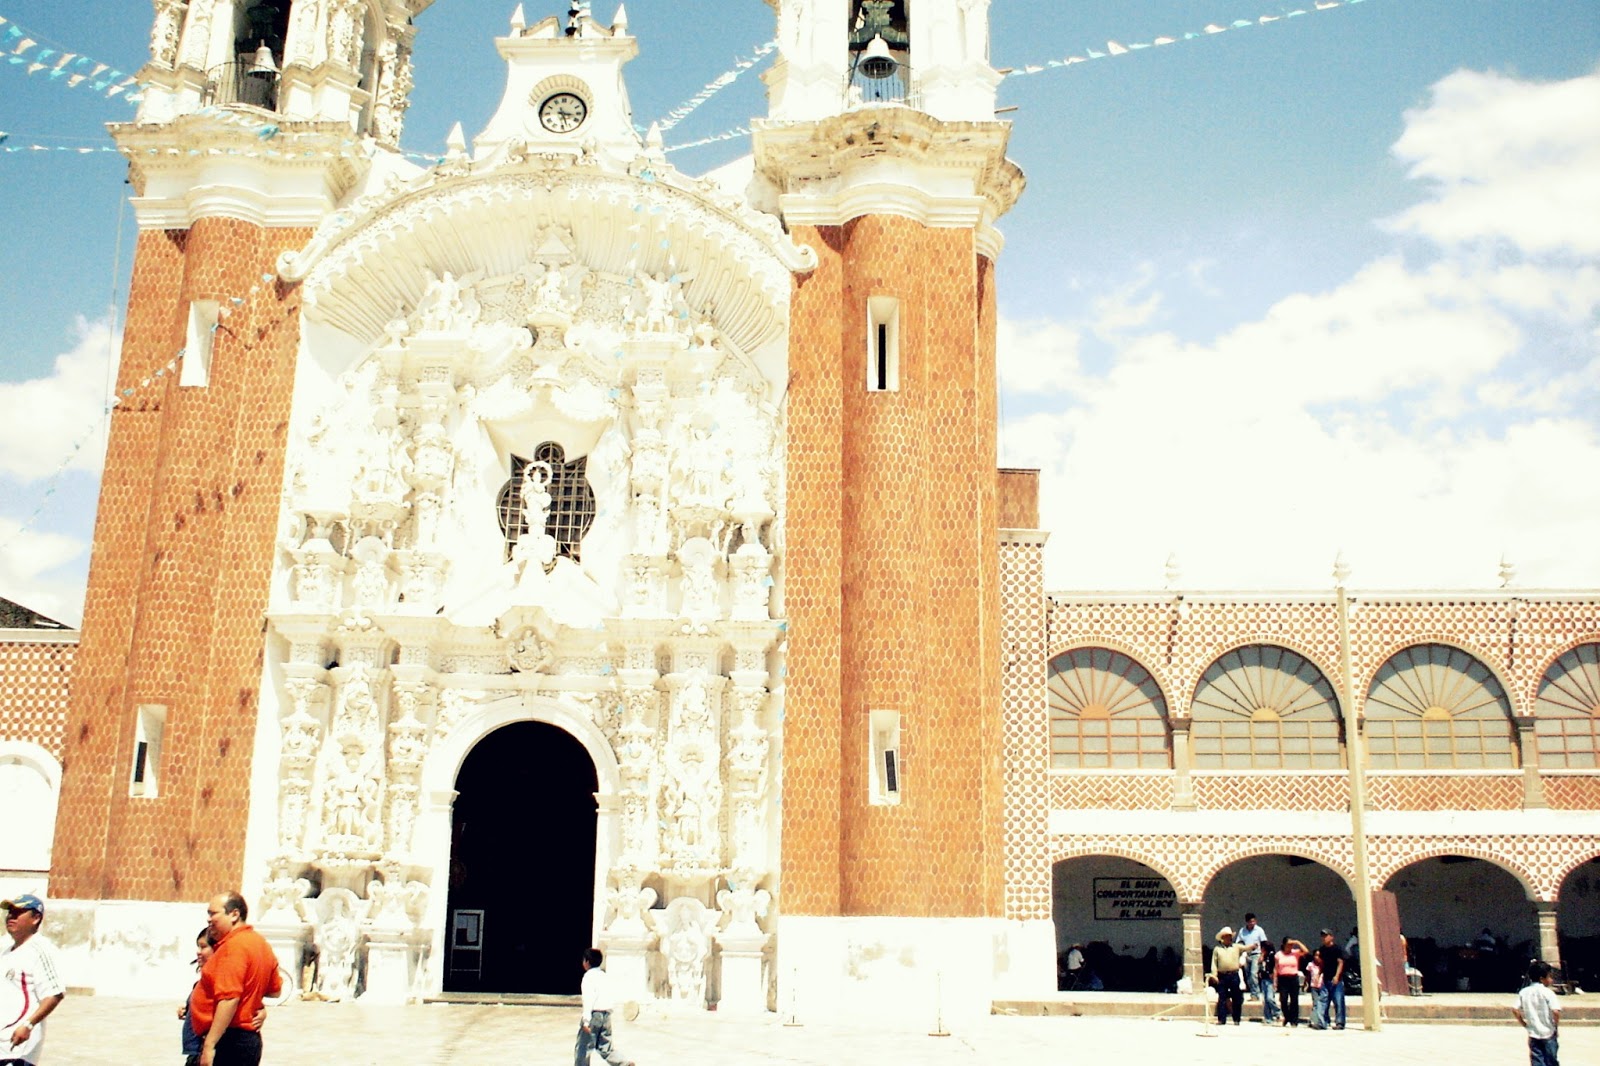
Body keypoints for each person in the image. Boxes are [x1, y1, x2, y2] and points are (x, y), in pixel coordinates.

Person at [190, 892, 281, 1066]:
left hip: (228, 1042)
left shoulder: (234, 947)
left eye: (213, 913)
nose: (209, 919)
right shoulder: (260, 943)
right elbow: (274, 990)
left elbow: (229, 998)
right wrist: (253, 1003)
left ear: (234, 914)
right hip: (246, 1041)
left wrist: (210, 1044)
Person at [0, 893, 65, 1066]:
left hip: (17, 1047)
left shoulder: (40, 951)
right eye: (10, 912)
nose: (11, 917)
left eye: (18, 912)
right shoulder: (5, 949)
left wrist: (28, 1025)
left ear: (36, 918)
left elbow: (55, 993)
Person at [576, 947, 634, 1066]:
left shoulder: (588, 977)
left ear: (587, 962)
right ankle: (623, 1063)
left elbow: (589, 999)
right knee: (606, 1047)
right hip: (606, 1014)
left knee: (583, 1049)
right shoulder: (604, 976)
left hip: (594, 1015)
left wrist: (586, 1021)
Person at [1512, 960, 1560, 1066]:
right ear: (1542, 979)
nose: (1551, 980)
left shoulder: (1524, 992)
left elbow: (1515, 1009)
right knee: (1551, 1060)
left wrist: (1524, 1023)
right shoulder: (1548, 993)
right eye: (1550, 977)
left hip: (1533, 1032)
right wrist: (1555, 1025)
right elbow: (1555, 1011)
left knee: (1536, 1060)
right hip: (1548, 1032)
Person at [1208, 926, 1245, 1026]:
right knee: (1222, 997)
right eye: (1227, 936)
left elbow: (1246, 948)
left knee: (1237, 997)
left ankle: (1236, 1019)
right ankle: (1221, 1019)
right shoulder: (1217, 949)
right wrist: (1214, 975)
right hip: (1222, 976)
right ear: (1223, 938)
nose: (1229, 938)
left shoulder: (1236, 947)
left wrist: (1253, 946)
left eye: (1230, 936)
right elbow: (1214, 963)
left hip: (1233, 975)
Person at [1273, 936, 1311, 1027]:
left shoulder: (1295, 953)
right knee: (1283, 999)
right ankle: (1287, 1016)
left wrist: (1297, 942)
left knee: (1294, 1000)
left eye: (1292, 945)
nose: (1290, 947)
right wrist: (1275, 981)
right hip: (1283, 978)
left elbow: (1306, 951)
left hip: (1293, 978)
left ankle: (1294, 1020)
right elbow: (1276, 968)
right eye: (1288, 945)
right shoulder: (1279, 954)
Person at [1316, 928, 1348, 1030]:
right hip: (1326, 978)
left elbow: (1340, 963)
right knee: (1323, 1000)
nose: (1324, 938)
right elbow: (1322, 964)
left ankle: (1340, 1023)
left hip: (1336, 980)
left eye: (1326, 936)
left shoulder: (1337, 949)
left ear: (1331, 937)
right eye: (1323, 936)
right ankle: (1322, 1022)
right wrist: (1319, 974)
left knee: (1338, 1001)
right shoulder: (1322, 950)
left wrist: (1337, 976)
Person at [1236, 913, 1268, 1001]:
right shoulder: (1242, 931)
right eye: (1250, 922)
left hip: (1256, 954)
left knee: (1254, 974)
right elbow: (1239, 943)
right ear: (1247, 922)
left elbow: (1264, 944)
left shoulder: (1259, 930)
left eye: (1254, 921)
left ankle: (1255, 994)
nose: (1252, 923)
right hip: (1246, 955)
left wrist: (1262, 955)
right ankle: (1252, 992)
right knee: (1248, 975)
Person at [1307, 953, 1327, 1030]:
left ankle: (1323, 1020)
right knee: (1315, 1004)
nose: (1317, 957)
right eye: (1316, 955)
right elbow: (1308, 975)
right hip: (1314, 986)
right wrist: (1306, 983)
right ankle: (1313, 1020)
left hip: (1322, 985)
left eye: (1319, 956)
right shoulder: (1311, 965)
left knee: (1322, 1003)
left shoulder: (1324, 965)